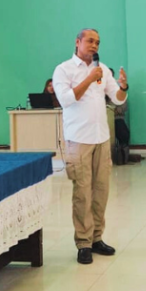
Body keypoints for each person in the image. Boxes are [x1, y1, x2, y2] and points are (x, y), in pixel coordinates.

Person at [52, 28, 128, 265]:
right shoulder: (63, 70)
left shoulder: (102, 69)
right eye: (90, 41)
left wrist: (123, 88)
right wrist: (88, 78)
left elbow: (116, 99)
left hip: (101, 138)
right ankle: (83, 243)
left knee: (101, 191)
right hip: (78, 139)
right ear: (77, 42)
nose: (94, 45)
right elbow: (65, 99)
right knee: (82, 192)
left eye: (98, 42)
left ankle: (97, 238)